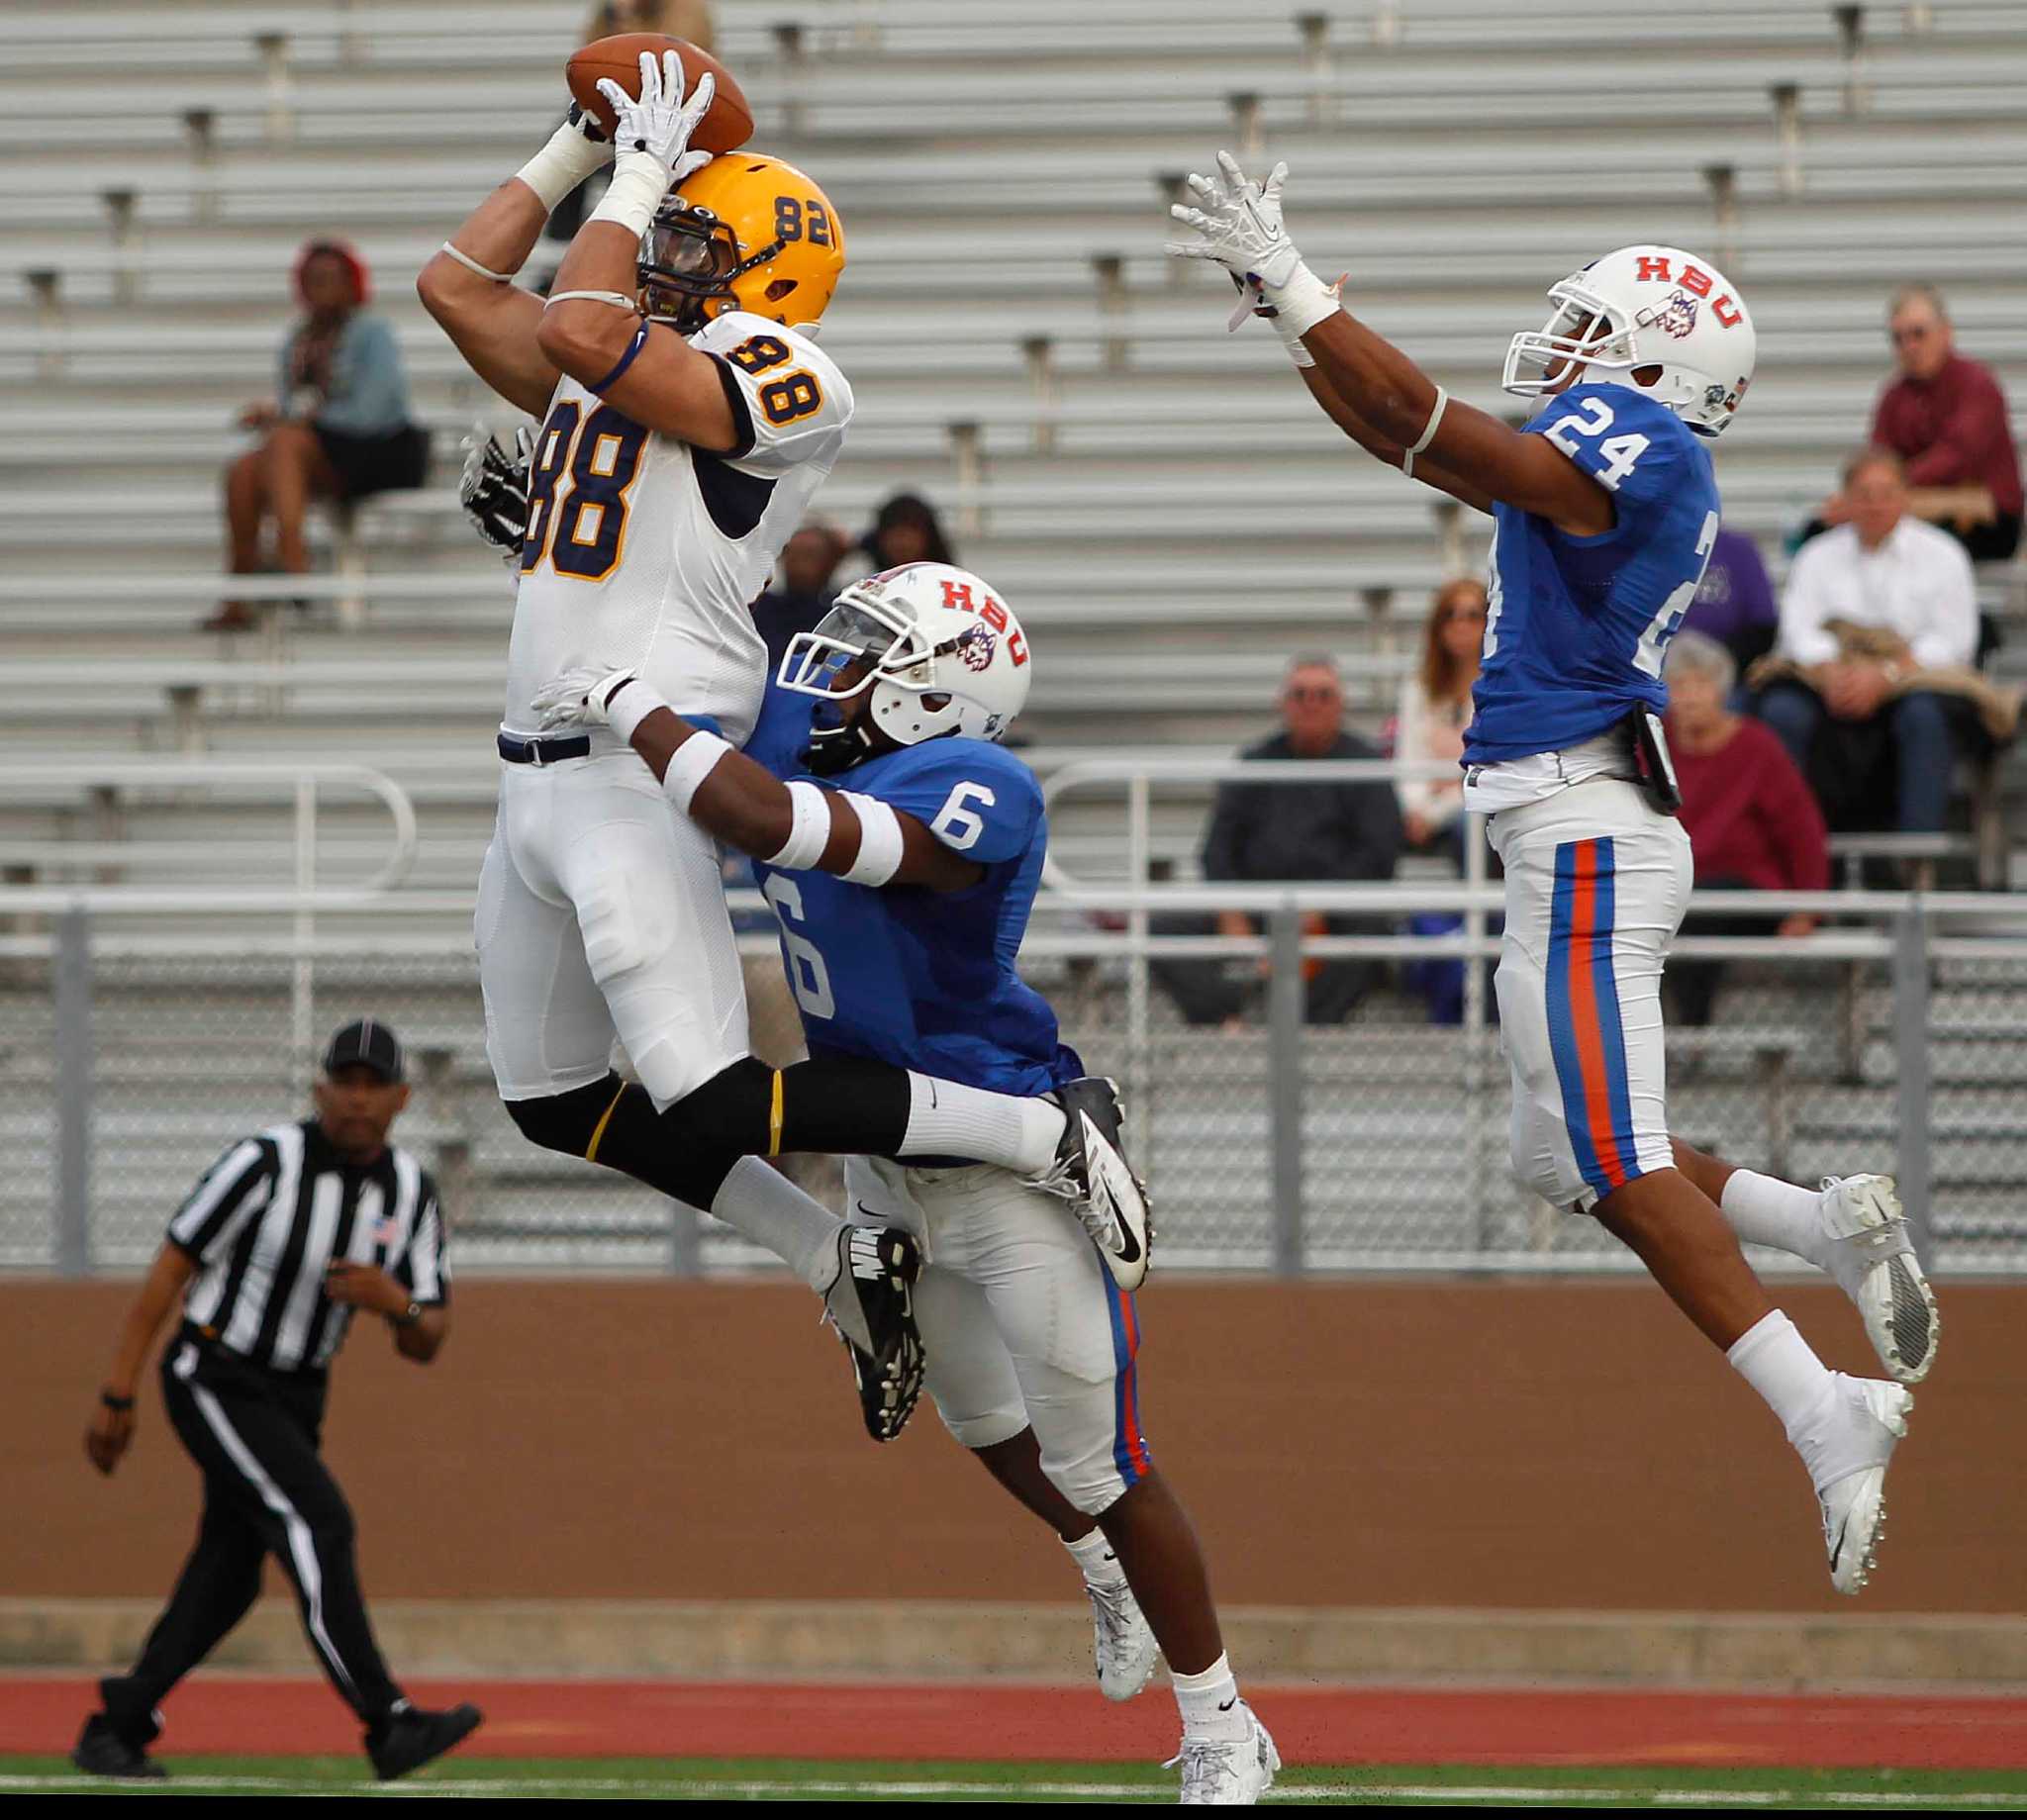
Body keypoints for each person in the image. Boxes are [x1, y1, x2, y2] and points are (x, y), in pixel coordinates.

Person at [1169, 154, 1939, 1590]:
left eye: (1594, 327)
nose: (1567, 343)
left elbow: (1443, 433)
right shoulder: (1633, 444)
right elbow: (1410, 441)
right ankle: (1818, 1217)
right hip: (1570, 828)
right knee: (1557, 1151)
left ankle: (1827, 1409)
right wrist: (1292, 324)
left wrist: (1297, 282)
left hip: (1587, 830)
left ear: (1651, 358)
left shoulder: (1649, 446)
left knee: (1614, 1156)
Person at [419, 66, 1143, 1444]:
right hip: (531, 773)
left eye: (701, 235)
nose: (672, 249)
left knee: (704, 1093)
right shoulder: (632, 344)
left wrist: (626, 180)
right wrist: (573, 142)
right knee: (553, 1097)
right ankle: (833, 1255)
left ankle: (1038, 1129)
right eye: (672, 229)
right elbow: (456, 289)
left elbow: (579, 323)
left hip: (637, 765)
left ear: (775, 276)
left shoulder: (793, 373)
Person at [532, 561, 1274, 1805]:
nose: (828, 664)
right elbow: (711, 664)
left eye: (870, 648)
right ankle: (1100, 1573)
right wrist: (560, 568)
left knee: (1105, 1462)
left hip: (998, 1159)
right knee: (980, 1423)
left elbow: (779, 825)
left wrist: (624, 701)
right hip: (881, 1154)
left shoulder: (979, 785)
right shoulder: (819, 736)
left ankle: (1221, 1726)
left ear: (940, 696)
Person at [72, 1021, 480, 1783]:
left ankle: (116, 1726)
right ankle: (386, 1719)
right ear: (321, 1088)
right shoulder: (266, 1163)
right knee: (319, 1519)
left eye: (373, 1085)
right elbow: (169, 1270)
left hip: (298, 1395)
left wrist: (394, 1302)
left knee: (229, 1574)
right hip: (215, 1371)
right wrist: (116, 1389)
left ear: (400, 1098)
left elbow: (428, 1336)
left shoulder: (410, 1192)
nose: (357, 1099)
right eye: (345, 1082)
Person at [1152, 656, 1401, 1029]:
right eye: (1300, 694)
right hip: (1255, 907)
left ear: (1341, 704)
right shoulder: (1256, 762)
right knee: (1164, 930)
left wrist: (1320, 911)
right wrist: (1232, 912)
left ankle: (1308, 1027)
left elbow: (1379, 854)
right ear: (1282, 703)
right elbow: (1216, 849)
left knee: (1374, 932)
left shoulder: (1364, 765)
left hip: (1333, 913)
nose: (1311, 703)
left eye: (1323, 695)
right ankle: (1229, 1017)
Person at [1755, 447, 1979, 837]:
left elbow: (1955, 641)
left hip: (1914, 679)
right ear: (1846, 499)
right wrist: (1831, 674)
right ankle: (1793, 846)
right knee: (1782, 711)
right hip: (1829, 678)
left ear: (1905, 497)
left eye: (1886, 493)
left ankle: (1916, 859)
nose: (1875, 505)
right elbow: (1798, 632)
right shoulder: (1816, 554)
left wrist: (1888, 674)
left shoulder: (1944, 555)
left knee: (1924, 716)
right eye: (1864, 494)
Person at [214, 239, 429, 631]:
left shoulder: (371, 333)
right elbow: (293, 408)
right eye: (312, 280)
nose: (319, 288)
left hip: (378, 449)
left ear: (352, 284)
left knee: (284, 441)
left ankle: (293, 563)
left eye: (330, 279)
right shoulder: (298, 339)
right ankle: (239, 595)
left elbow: (374, 411)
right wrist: (281, 417)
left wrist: (292, 419)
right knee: (244, 469)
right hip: (320, 450)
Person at [1662, 632, 1828, 1026]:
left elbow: (1801, 828)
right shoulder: (1653, 744)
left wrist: (1808, 908)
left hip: (1746, 888)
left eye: (1700, 684)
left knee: (1698, 911)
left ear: (1721, 691)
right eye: (1679, 686)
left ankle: (1690, 1033)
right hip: (1671, 884)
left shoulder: (1757, 746)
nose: (1690, 697)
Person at [1818, 284, 2021, 562]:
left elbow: (1956, 457)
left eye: (1918, 334)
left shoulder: (1976, 385)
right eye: (1898, 339)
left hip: (1984, 521)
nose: (1909, 346)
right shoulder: (1894, 396)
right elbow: (1878, 460)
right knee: (1821, 528)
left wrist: (1883, 492)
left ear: (1946, 333)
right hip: (1913, 508)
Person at [1395, 577, 1485, 854]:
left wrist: (1434, 814)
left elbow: (1483, 772)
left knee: (1471, 824)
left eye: (1472, 615)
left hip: (1470, 808)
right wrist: (1417, 810)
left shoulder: (1499, 689)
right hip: (1421, 813)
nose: (1461, 625)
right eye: (1450, 615)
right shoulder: (1417, 689)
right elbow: (1408, 760)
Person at [750, 517, 849, 674]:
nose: (798, 562)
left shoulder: (844, 613)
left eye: (810, 554)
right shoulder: (759, 608)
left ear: (831, 561)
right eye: (791, 553)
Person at [1680, 524, 1779, 676]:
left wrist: (1720, 663)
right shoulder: (1645, 547)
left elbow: (1763, 625)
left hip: (1728, 671)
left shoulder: (1739, 548)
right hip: (1655, 670)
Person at [861, 491, 957, 572]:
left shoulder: (951, 581)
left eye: (909, 535)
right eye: (895, 535)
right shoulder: (868, 588)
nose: (902, 544)